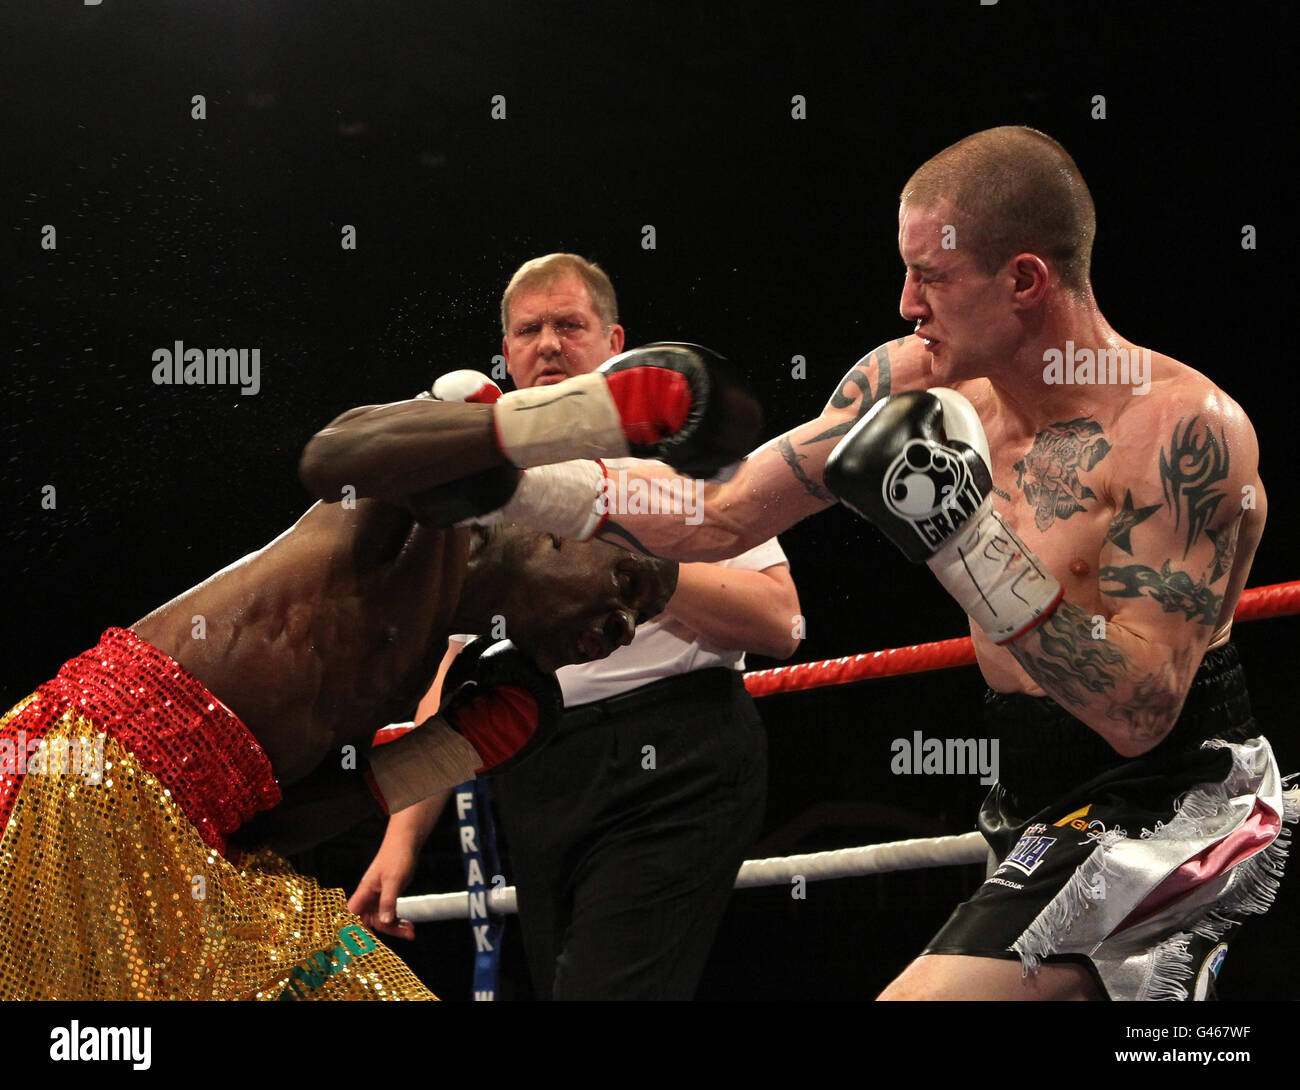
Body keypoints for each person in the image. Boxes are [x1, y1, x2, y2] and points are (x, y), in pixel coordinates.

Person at [429, 128, 1294, 1001]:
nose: (907, 302)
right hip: (1031, 792)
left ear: (1025, 280)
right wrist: (510, 483)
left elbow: (1140, 713)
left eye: (932, 276)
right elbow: (723, 513)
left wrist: (967, 543)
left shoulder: (1182, 433)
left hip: (1174, 799)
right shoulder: (911, 381)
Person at [0, 341, 757, 999]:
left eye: (638, 622)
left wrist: (437, 755)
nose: (620, 627)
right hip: (86, 773)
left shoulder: (424, 656)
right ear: (566, 530)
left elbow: (270, 831)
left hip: (192, 842)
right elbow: (334, 453)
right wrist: (579, 416)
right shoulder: (429, 509)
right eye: (627, 585)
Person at [349, 254, 801, 1000]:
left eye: (569, 324)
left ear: (614, 340)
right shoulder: (488, 484)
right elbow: (453, 679)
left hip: (677, 756)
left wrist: (649, 571)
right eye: (529, 330)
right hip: (539, 768)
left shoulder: (682, 447)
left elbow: (781, 622)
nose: (549, 344)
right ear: (506, 353)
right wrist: (401, 839)